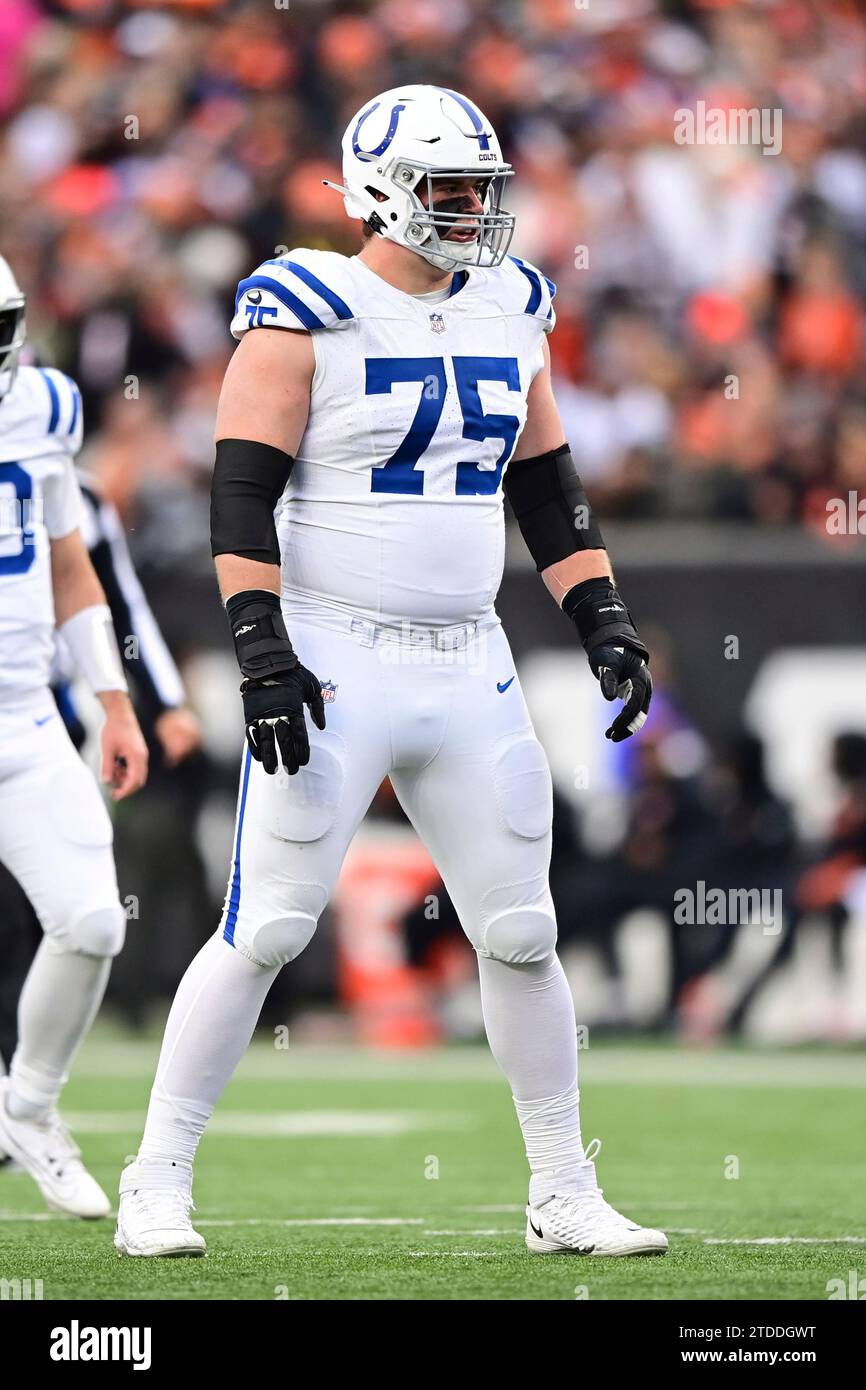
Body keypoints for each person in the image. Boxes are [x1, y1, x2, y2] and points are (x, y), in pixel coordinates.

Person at [116, 86, 666, 1259]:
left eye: (482, 188)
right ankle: (154, 1176)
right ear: (379, 190)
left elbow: (545, 486)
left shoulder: (513, 300)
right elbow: (239, 489)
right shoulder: (304, 302)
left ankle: (561, 1188)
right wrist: (260, 651)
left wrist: (602, 616)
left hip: (468, 656)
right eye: (449, 188)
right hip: (332, 653)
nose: (473, 211)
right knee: (264, 926)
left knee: (520, 930)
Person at [0, 254, 148, 1217]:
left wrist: (114, 700)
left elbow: (69, 565)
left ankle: (31, 1107)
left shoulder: (44, 404)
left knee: (93, 919)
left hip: (19, 712)